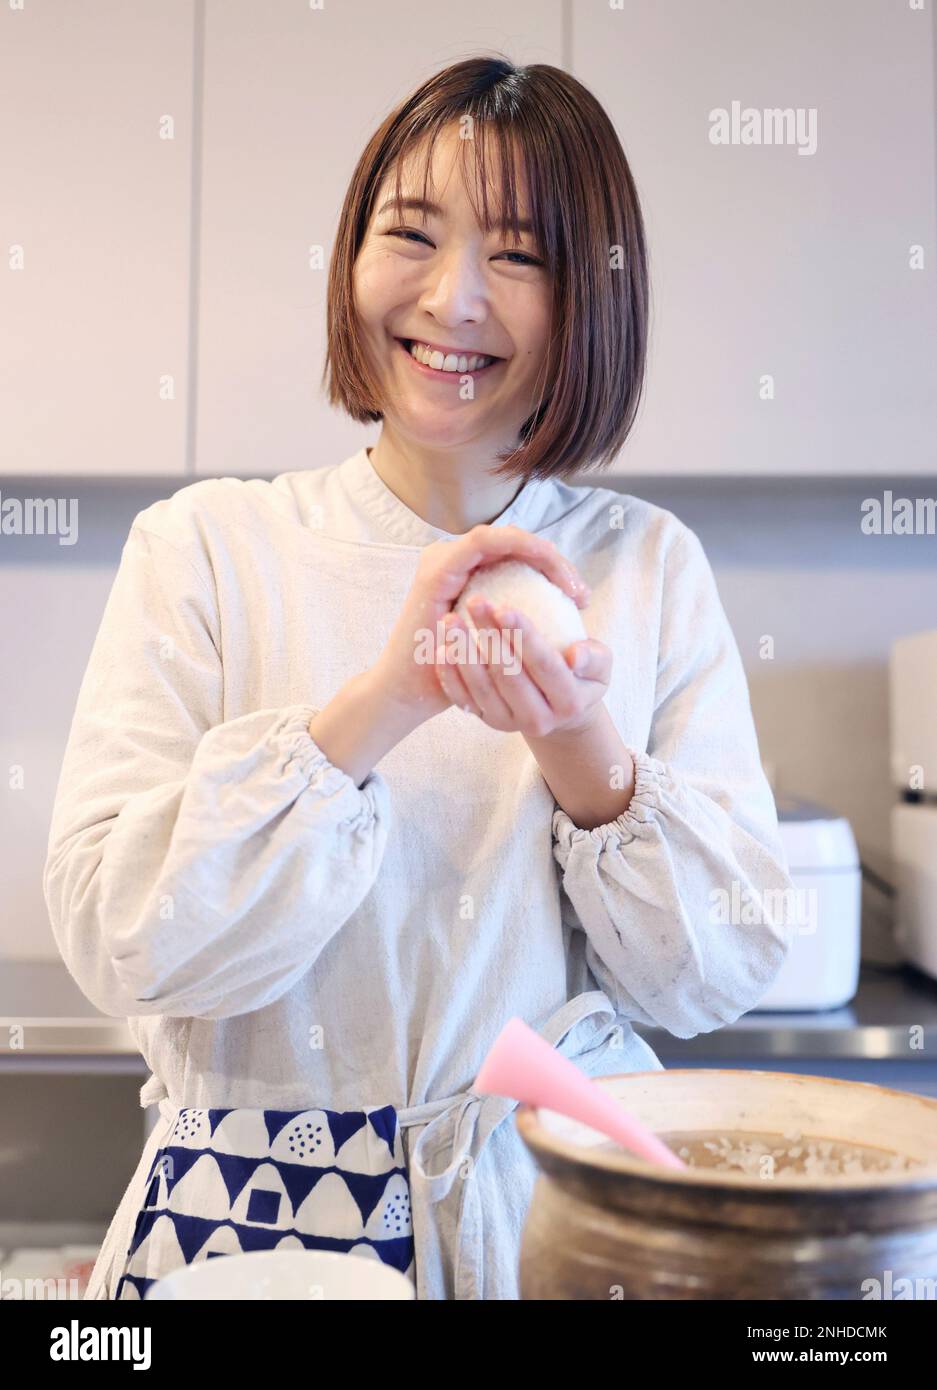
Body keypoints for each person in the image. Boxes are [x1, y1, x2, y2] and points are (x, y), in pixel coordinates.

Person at [43, 55, 794, 1301]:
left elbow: (716, 974)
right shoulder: (211, 547)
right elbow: (123, 942)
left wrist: (582, 750)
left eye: (518, 255)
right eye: (412, 234)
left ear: (593, 296)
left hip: (548, 1214)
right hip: (249, 1228)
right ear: (351, 257)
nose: (453, 300)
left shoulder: (647, 566)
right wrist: (386, 696)